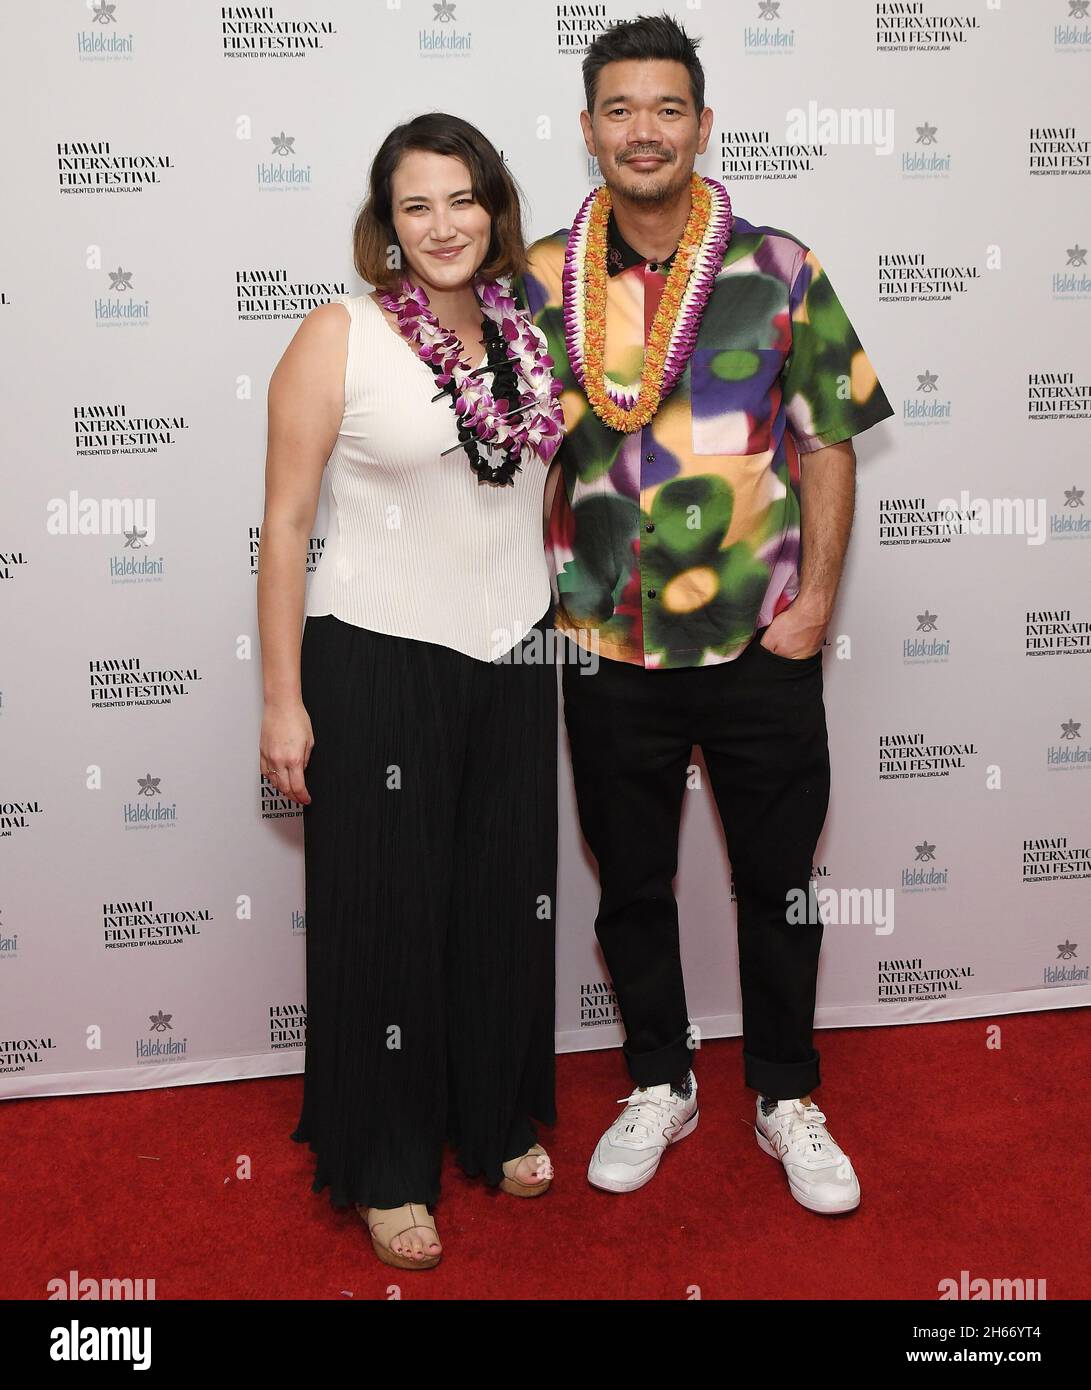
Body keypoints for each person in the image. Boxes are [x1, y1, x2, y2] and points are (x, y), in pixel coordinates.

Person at [514, 13, 894, 1214]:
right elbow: (479, 444)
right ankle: (657, 1077)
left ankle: (784, 1091)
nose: (642, 131)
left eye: (665, 108)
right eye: (619, 110)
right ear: (587, 131)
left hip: (756, 638)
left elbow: (827, 436)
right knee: (629, 881)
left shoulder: (776, 266)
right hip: (600, 641)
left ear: (702, 125)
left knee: (778, 878)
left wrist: (817, 602)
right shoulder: (533, 279)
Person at [257, 113, 566, 1269]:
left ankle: (490, 1121)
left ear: (495, 208)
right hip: (376, 654)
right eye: (415, 205)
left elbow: (529, 490)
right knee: (385, 917)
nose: (443, 224)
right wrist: (284, 701)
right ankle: (388, 1165)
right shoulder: (335, 335)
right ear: (385, 225)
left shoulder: (526, 333)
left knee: (502, 896)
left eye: (462, 199)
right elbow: (284, 527)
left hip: (512, 651)